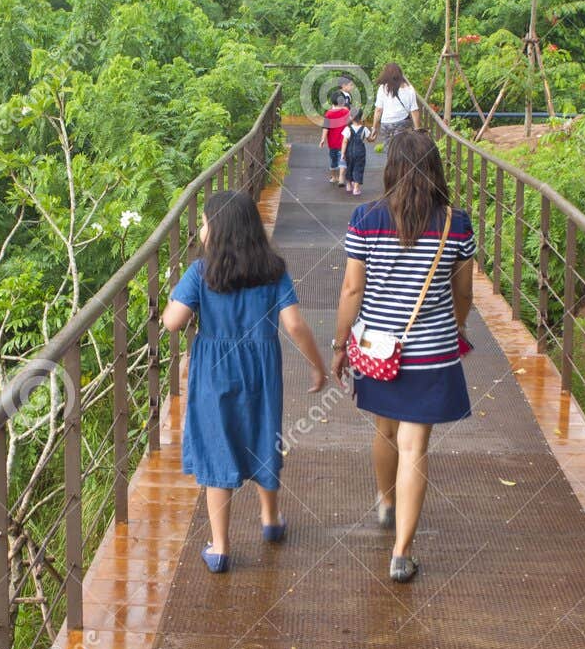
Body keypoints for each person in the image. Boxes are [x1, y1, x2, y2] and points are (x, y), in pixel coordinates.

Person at [330, 131, 475, 583]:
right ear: (435, 169)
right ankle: (401, 552)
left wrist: (339, 345)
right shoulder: (457, 223)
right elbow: (463, 292)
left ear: (391, 168)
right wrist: (457, 328)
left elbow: (353, 289)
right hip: (430, 354)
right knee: (416, 447)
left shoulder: (366, 218)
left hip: (377, 349)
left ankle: (385, 501)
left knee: (384, 430)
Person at [163, 190, 329, 574]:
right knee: (263, 434)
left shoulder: (201, 273)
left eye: (204, 223)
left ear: (215, 230)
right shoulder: (273, 270)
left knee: (215, 445)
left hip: (213, 370)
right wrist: (317, 365)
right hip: (260, 367)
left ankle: (220, 547)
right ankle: (270, 520)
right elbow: (294, 324)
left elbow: (173, 321)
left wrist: (177, 301)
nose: (201, 230)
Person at [369, 62, 421, 145]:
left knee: (389, 151)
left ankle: (390, 158)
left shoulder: (382, 88)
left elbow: (378, 110)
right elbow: (414, 111)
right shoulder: (409, 89)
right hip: (403, 124)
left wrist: (374, 128)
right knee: (403, 150)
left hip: (386, 125)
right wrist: (418, 129)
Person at [321, 91, 352, 186]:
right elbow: (350, 124)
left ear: (332, 102)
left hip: (332, 143)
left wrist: (323, 139)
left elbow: (326, 128)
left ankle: (334, 177)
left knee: (333, 161)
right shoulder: (346, 112)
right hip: (344, 142)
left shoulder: (328, 114)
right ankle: (342, 178)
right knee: (343, 158)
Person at [342, 107, 368, 195]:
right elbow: (370, 139)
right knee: (358, 169)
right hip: (360, 153)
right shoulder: (364, 129)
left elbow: (345, 141)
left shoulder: (347, 129)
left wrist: (342, 153)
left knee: (349, 167)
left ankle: (349, 185)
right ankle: (356, 189)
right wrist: (374, 136)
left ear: (350, 117)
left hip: (349, 152)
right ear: (361, 118)